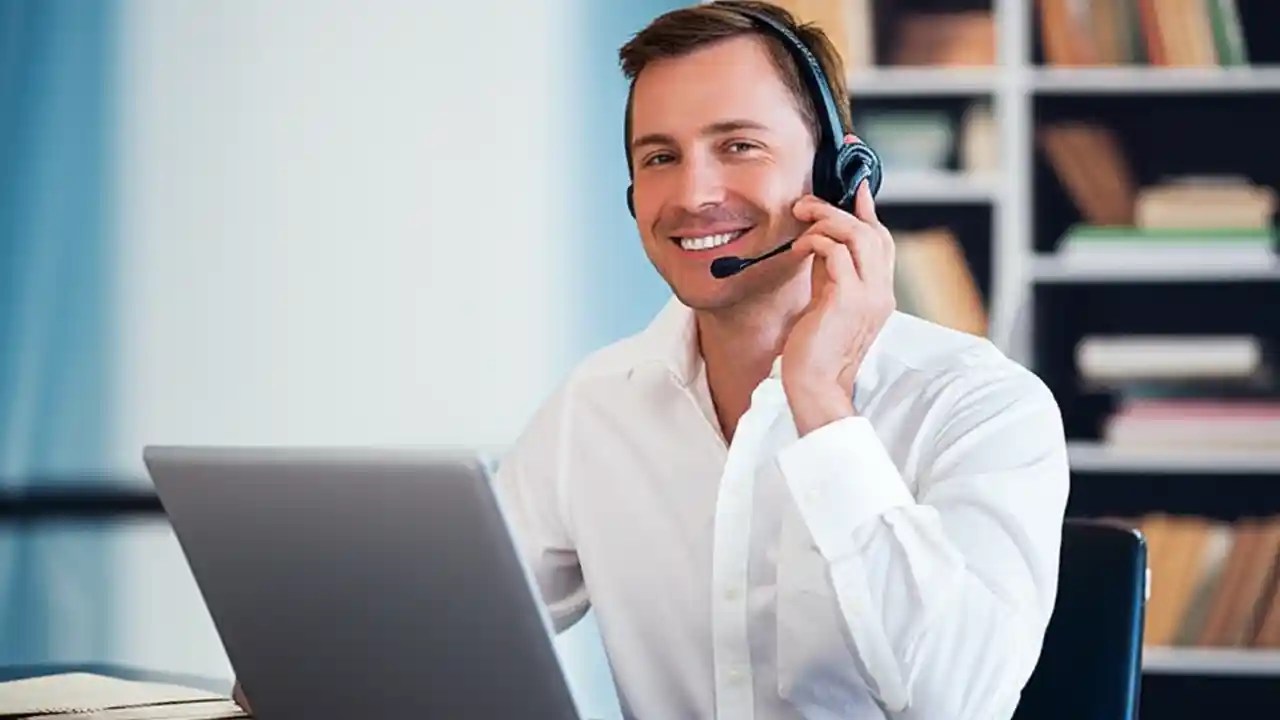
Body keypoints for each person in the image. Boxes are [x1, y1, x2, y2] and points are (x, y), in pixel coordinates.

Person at [236, 2, 1069, 718]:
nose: (691, 194)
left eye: (738, 145)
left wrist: (821, 403)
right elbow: (451, 627)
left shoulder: (982, 407)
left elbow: (960, 698)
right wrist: (315, 658)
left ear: (840, 172)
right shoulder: (600, 404)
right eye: (660, 157)